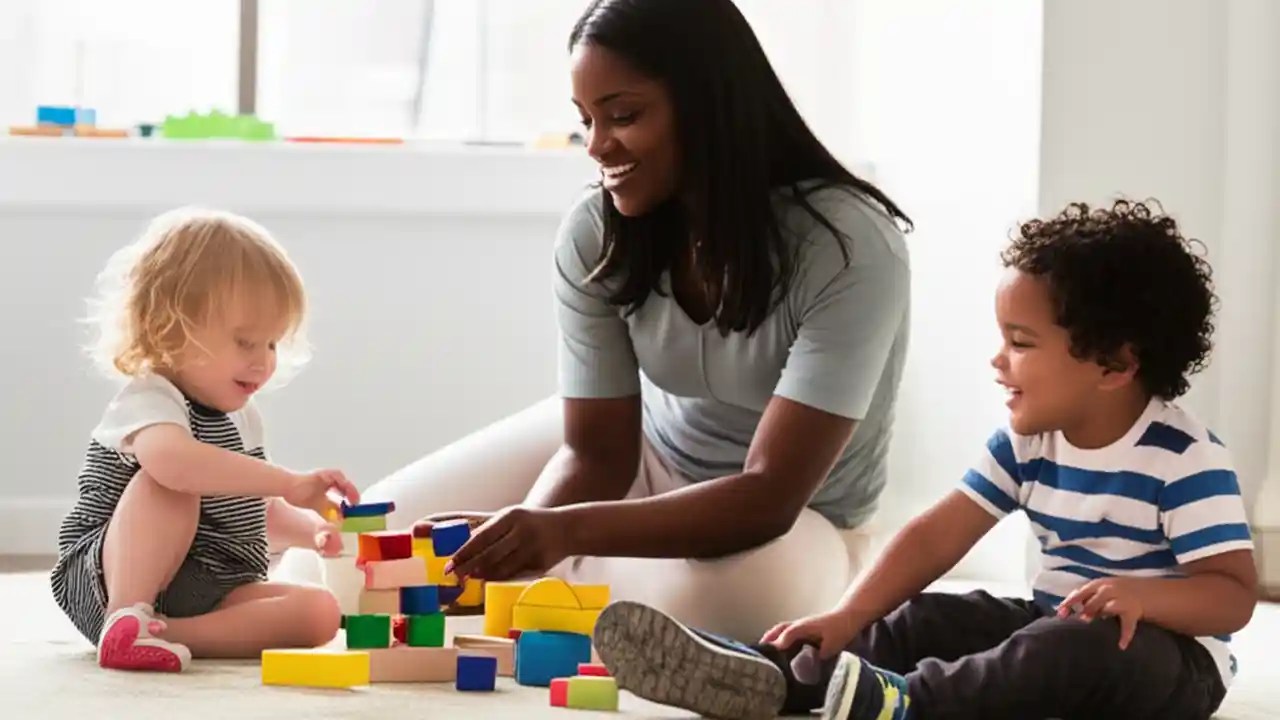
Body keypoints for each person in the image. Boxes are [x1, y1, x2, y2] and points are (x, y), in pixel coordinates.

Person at [355, 0, 912, 641]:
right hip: (649, 456)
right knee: (368, 550)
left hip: (801, 520)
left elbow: (768, 496)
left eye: (623, 115)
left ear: (709, 106)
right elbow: (597, 452)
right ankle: (565, 594)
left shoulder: (846, 245)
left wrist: (563, 533)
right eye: (586, 119)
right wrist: (514, 547)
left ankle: (572, 593)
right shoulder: (598, 232)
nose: (596, 146)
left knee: (729, 608)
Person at [587, 199, 1258, 720]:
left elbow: (1232, 598)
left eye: (1021, 343)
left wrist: (1143, 596)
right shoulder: (1030, 442)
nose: (999, 361)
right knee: (930, 616)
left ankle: (909, 704)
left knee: (1059, 650)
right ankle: (787, 673)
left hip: (1170, 661)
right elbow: (935, 536)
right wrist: (846, 616)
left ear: (1114, 362)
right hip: (1058, 620)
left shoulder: (1183, 459)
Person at [49, 208, 360, 672]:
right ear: (171, 331)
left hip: (209, 585)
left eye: (272, 343)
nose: (263, 362)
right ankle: (126, 617)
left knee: (320, 612)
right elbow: (173, 465)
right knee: (169, 485)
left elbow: (254, 508)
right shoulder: (151, 398)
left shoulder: (243, 419)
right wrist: (288, 481)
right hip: (112, 577)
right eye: (245, 342)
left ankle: (163, 635)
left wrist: (312, 532)